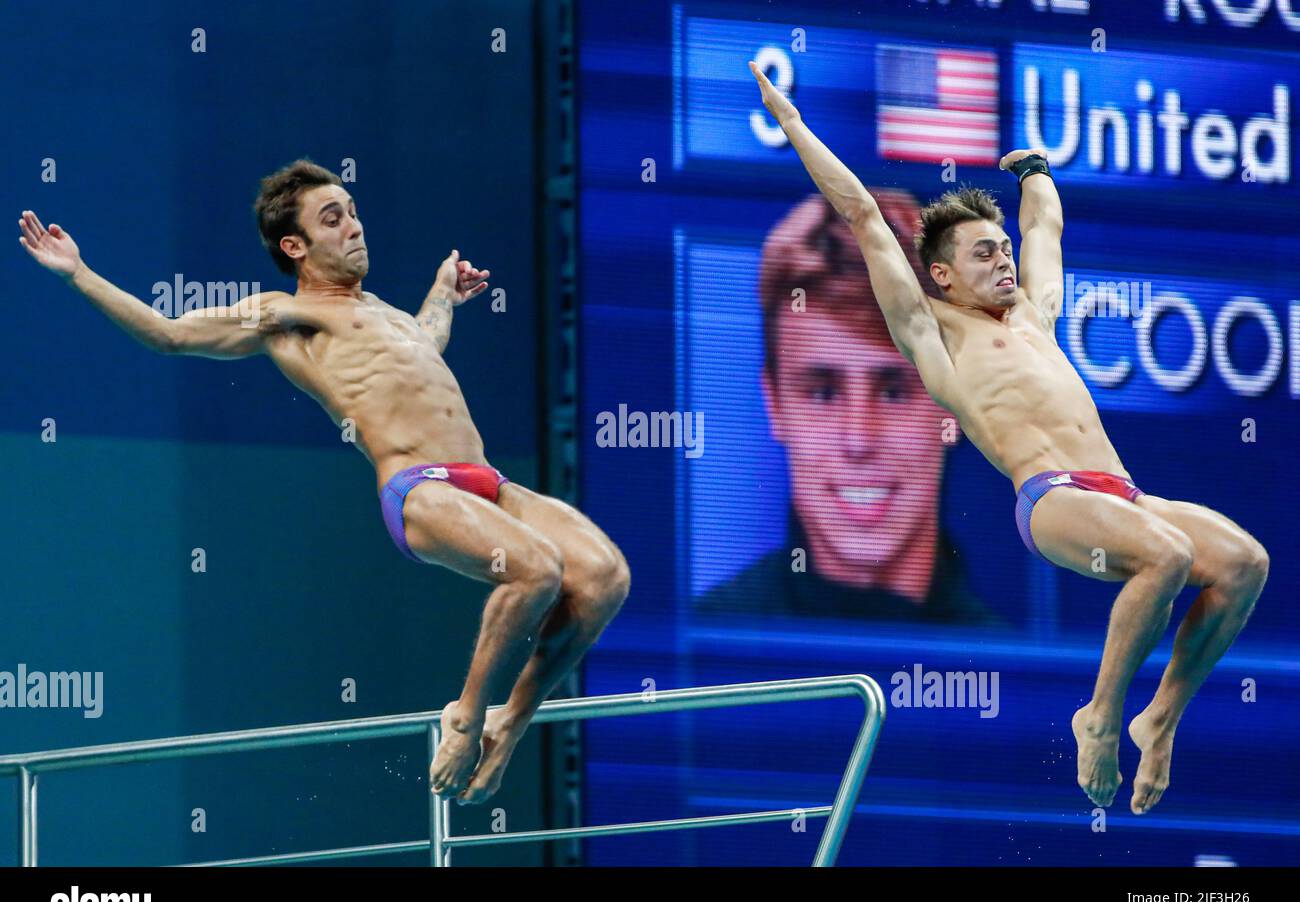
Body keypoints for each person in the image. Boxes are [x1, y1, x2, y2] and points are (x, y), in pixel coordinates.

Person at [17, 159, 631, 806]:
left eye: (354, 211)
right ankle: (468, 716)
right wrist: (79, 274)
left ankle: (509, 723)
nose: (354, 228)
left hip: (484, 481)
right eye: (332, 219)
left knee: (602, 578)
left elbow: (424, 346)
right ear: (296, 247)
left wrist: (443, 294)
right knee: (535, 571)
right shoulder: (286, 316)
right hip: (421, 490)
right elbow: (170, 335)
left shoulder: (388, 314)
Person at [750, 63, 1268, 815]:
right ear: (941, 276)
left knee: (1244, 563)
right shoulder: (934, 332)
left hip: (1123, 495)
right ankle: (1099, 717)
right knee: (1168, 555)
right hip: (1051, 500)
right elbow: (862, 214)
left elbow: (1044, 226)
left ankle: (1159, 718)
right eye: (983, 255)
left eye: (1002, 251)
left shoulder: (1035, 317)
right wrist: (795, 125)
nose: (1003, 262)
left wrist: (1033, 169)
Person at [695, 192, 1000, 625]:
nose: (858, 440)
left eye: (894, 392)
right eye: (822, 393)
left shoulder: (1020, 672)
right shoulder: (707, 653)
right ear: (775, 404)